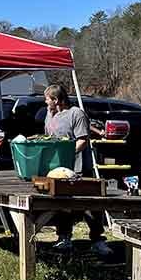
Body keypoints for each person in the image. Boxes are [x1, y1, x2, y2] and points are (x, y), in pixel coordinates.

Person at [43, 84, 111, 257]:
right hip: (58, 169)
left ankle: (97, 240)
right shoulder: (49, 115)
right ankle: (64, 238)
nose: (46, 103)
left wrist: (67, 153)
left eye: (47, 100)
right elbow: (49, 138)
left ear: (56, 100)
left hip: (80, 168)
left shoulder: (76, 114)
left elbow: (82, 140)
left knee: (90, 205)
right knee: (63, 206)